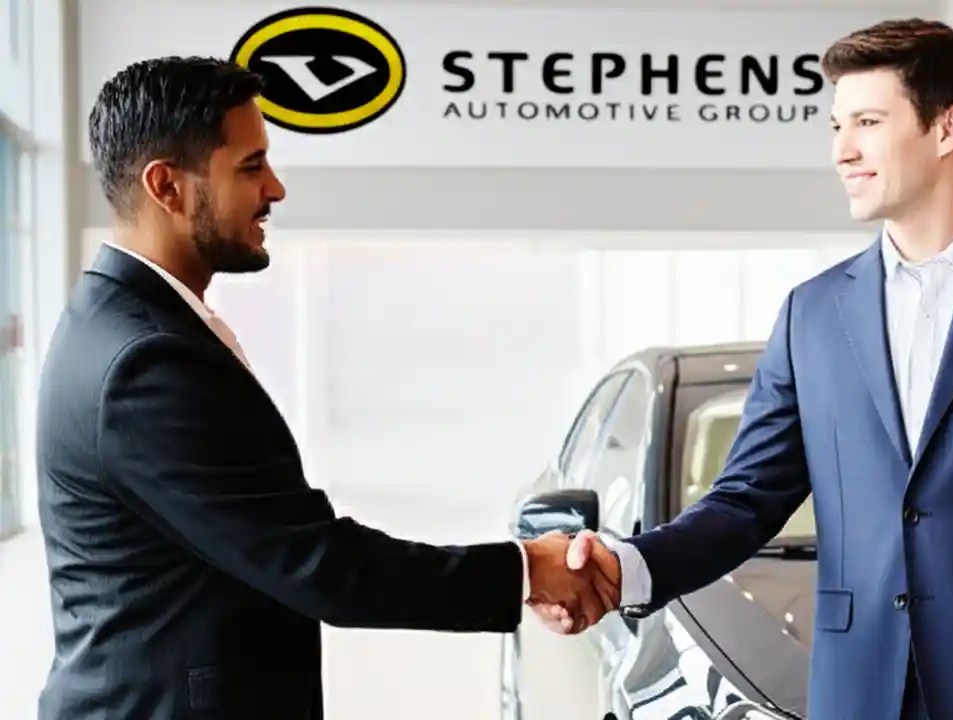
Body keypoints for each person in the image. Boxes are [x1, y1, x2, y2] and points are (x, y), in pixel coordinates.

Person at [533, 18, 953, 720]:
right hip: (857, 694)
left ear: (948, 128)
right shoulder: (813, 313)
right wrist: (622, 568)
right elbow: (745, 501)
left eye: (866, 121)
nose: (842, 152)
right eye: (836, 126)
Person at [34, 56, 617, 720]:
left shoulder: (119, 323)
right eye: (250, 167)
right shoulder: (147, 360)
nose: (275, 189)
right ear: (166, 186)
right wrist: (525, 570)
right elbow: (316, 563)